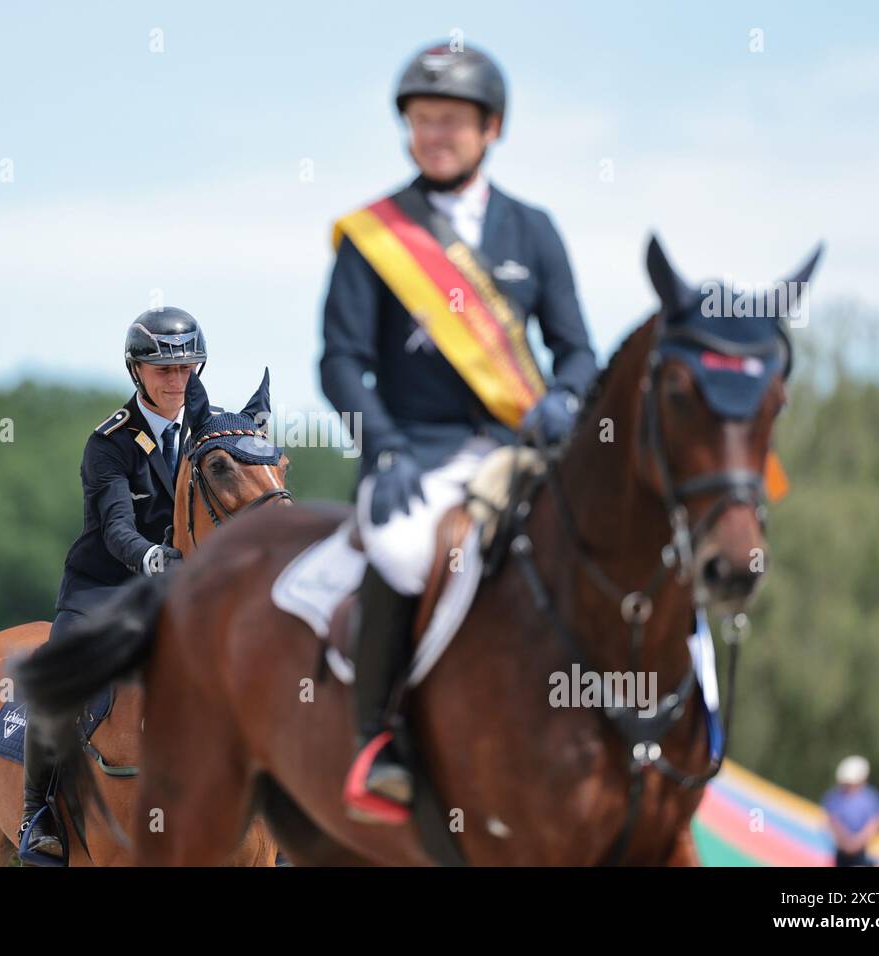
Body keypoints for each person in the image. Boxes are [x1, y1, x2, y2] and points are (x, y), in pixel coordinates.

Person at [319, 41, 598, 824]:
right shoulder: (376, 235)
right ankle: (380, 742)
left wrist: (568, 398)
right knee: (407, 551)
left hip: (522, 445)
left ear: (491, 128)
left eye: (450, 121)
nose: (433, 134)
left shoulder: (533, 230)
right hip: (420, 450)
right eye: (420, 120)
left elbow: (577, 348)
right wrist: (385, 444)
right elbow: (339, 361)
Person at [18, 306, 206, 864]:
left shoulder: (208, 430)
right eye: (162, 370)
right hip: (105, 584)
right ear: (137, 373)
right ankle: (39, 813)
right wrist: (152, 557)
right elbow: (118, 528)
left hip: (183, 585)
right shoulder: (110, 443)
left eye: (185, 369)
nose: (175, 381)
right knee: (61, 672)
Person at [821, 755, 879, 866]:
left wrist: (858, 842)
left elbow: (876, 822)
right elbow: (831, 820)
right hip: (841, 850)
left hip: (862, 851)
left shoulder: (870, 797)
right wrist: (845, 842)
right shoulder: (834, 796)